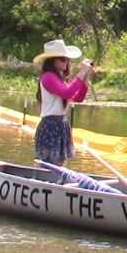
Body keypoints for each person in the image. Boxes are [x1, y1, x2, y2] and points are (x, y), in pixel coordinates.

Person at [32, 38, 94, 166]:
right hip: (50, 126)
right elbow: (68, 93)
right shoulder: (48, 77)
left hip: (60, 124)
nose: (66, 62)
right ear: (52, 61)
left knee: (59, 165)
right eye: (62, 59)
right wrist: (81, 73)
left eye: (67, 59)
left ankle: (56, 183)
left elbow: (78, 98)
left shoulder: (60, 79)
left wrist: (85, 76)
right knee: (49, 165)